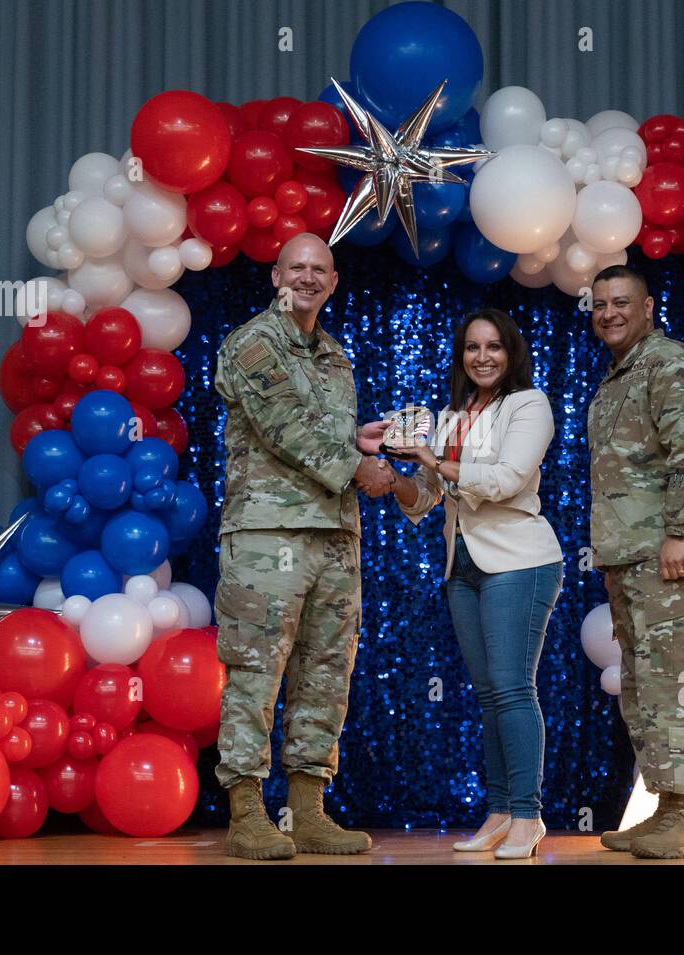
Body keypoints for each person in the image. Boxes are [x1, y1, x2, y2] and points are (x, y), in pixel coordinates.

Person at [212, 233, 393, 861]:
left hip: (334, 537)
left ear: (334, 281)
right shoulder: (253, 342)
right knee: (255, 671)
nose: (308, 277)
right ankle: (246, 814)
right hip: (267, 535)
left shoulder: (334, 356)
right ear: (276, 275)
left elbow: (321, 432)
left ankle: (309, 812)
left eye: (320, 268)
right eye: (297, 266)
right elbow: (285, 427)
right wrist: (360, 469)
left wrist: (358, 441)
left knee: (324, 673)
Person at [389, 308, 563, 859]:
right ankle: (499, 810)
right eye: (472, 347)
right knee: (490, 694)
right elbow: (426, 500)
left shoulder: (528, 404)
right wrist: (394, 477)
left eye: (494, 347)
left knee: (513, 687)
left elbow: (509, 480)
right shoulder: (450, 415)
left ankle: (528, 816)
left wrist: (434, 464)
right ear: (461, 355)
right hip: (461, 566)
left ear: (511, 353)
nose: (482, 357)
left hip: (520, 560)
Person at [586, 265, 684, 860]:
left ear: (647, 307)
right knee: (645, 686)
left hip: (669, 555)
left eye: (621, 302)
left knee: (679, 681)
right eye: (599, 305)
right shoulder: (621, 375)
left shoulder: (669, 362)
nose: (609, 313)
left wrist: (679, 533)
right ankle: (667, 807)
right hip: (631, 559)